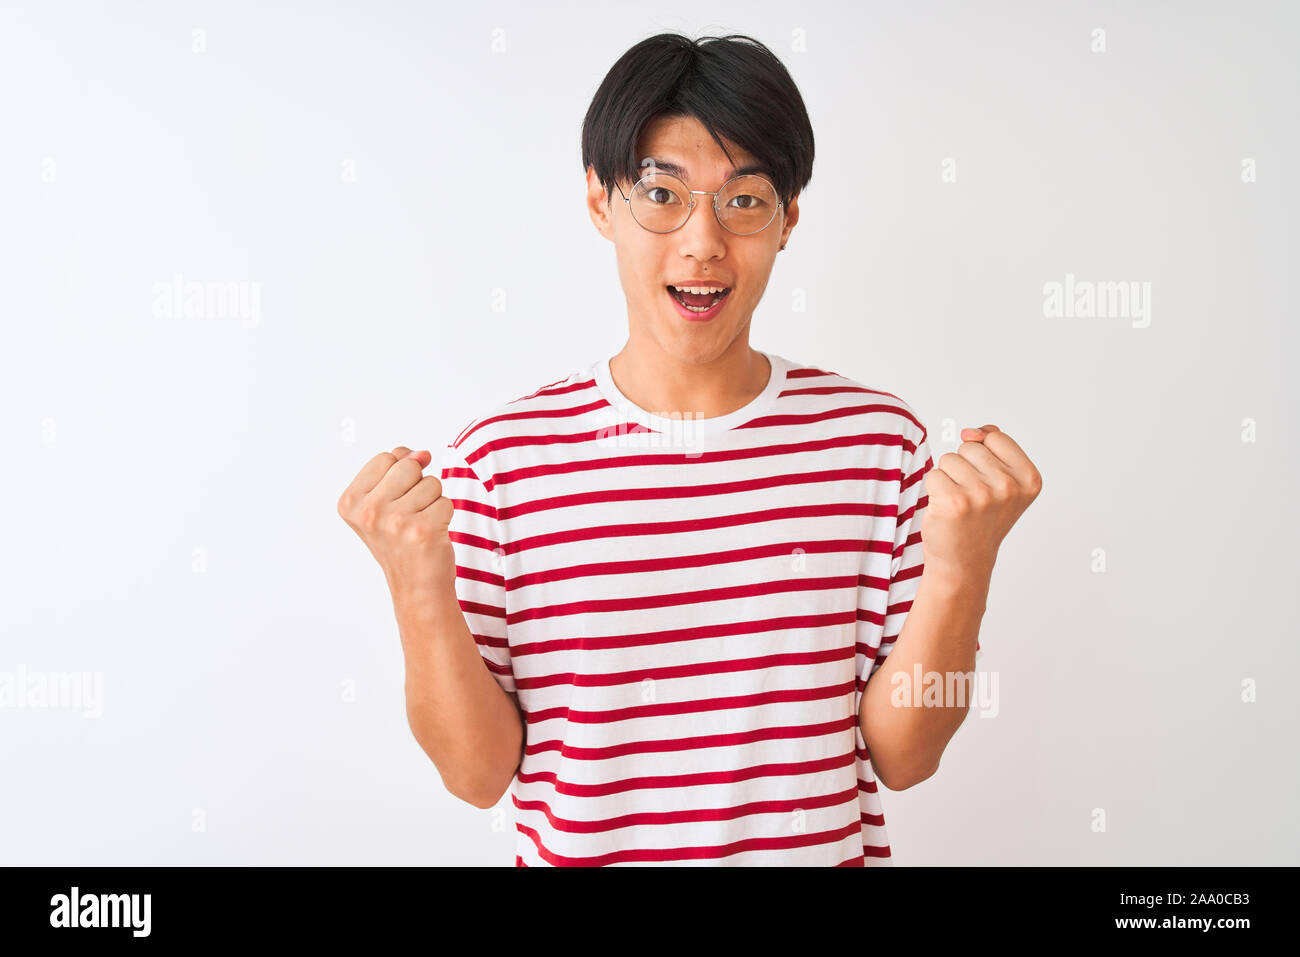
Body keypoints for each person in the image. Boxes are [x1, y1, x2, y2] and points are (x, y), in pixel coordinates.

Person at [338, 32, 1042, 866]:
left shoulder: (878, 446)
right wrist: (416, 586)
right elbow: (476, 773)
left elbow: (908, 755)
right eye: (661, 193)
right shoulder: (500, 462)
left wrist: (965, 569)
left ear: (789, 221)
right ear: (600, 203)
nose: (703, 241)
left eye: (745, 200)